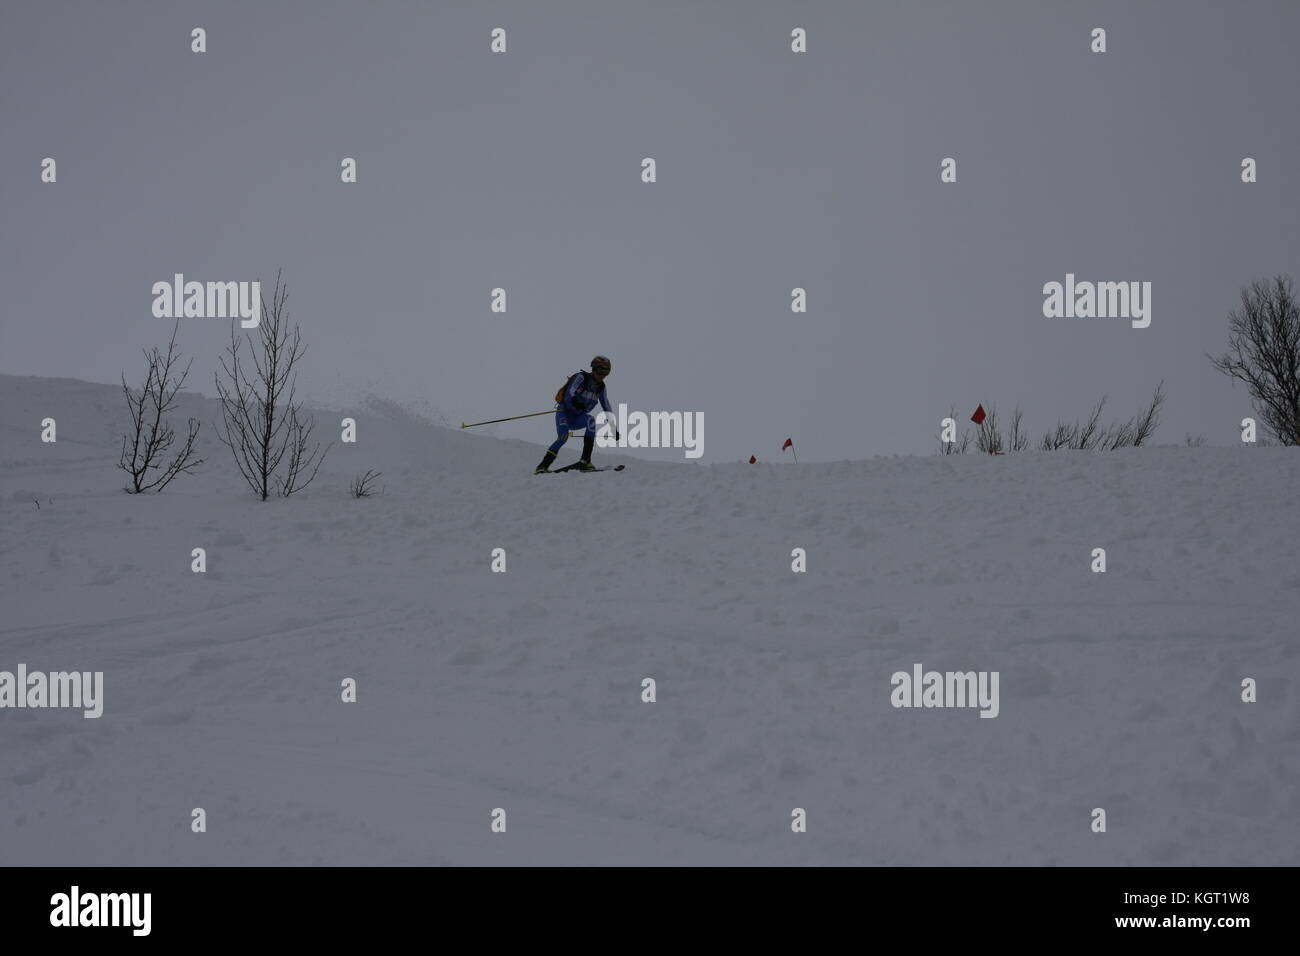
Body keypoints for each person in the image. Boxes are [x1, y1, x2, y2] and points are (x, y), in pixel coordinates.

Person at [534, 355, 618, 473]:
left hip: (578, 417)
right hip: (564, 413)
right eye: (600, 370)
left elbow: (606, 406)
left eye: (606, 371)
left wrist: (613, 427)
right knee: (563, 437)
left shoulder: (601, 388)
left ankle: (585, 461)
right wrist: (574, 404)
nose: (603, 375)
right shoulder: (581, 377)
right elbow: (569, 393)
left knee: (591, 421)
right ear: (593, 368)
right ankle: (542, 466)